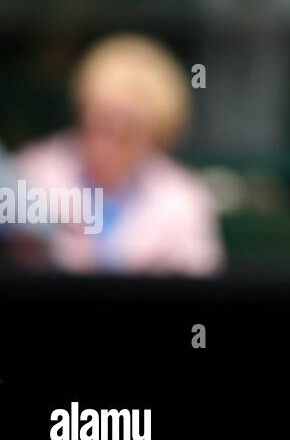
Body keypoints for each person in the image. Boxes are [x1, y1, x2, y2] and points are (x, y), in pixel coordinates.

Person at [7, 33, 225, 276]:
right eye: (99, 122)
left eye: (125, 131)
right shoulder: (34, 173)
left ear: (154, 134)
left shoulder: (183, 197)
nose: (106, 141)